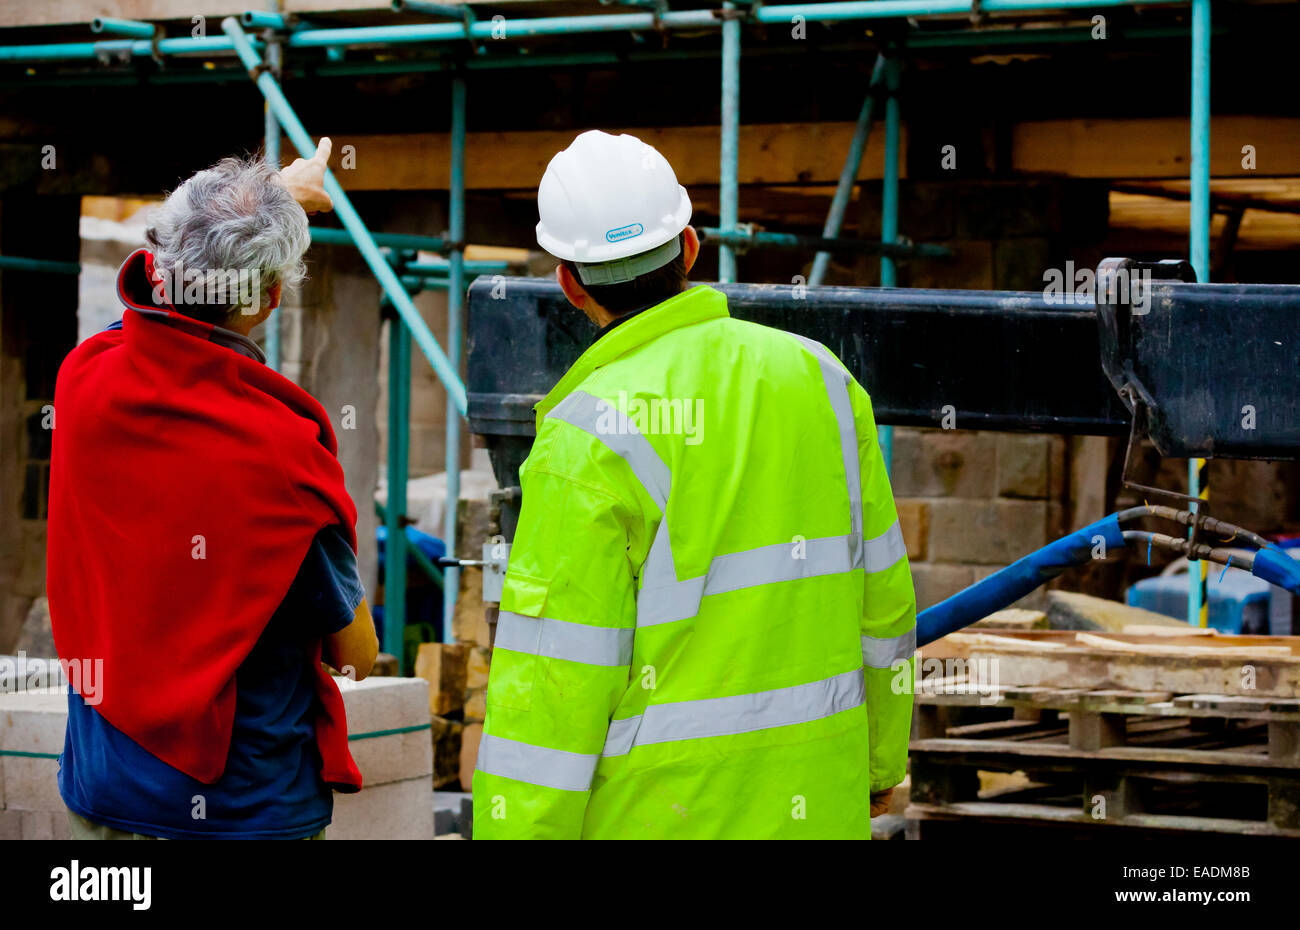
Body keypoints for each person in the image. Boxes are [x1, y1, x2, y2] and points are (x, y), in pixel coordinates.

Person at [473, 130, 916, 839]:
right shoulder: (824, 381)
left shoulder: (585, 438)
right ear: (689, 246)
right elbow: (885, 607)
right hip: (818, 807)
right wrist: (877, 765)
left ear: (569, 283)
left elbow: (553, 692)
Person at [47, 140, 379, 840]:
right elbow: (356, 653)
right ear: (268, 302)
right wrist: (278, 206)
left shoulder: (84, 381)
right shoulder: (282, 454)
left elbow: (151, 318)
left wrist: (272, 204)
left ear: (163, 267)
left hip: (105, 792)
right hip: (239, 810)